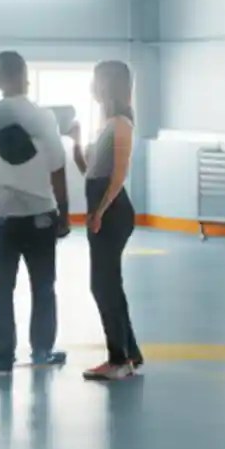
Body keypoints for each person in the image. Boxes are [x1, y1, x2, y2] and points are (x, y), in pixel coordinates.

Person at [0, 51, 70, 377]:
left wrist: (5, 176)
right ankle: (42, 352)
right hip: (41, 213)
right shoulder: (44, 117)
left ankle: (3, 358)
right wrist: (65, 213)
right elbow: (58, 167)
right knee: (43, 286)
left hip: (3, 215)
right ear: (25, 76)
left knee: (2, 289)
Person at [71, 60, 142, 381]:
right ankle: (129, 353)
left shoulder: (122, 124)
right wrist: (76, 141)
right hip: (101, 208)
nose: (92, 86)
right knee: (109, 284)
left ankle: (118, 359)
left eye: (96, 80)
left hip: (112, 212)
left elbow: (118, 174)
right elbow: (89, 171)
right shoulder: (106, 124)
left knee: (102, 285)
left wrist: (99, 212)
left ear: (109, 86)